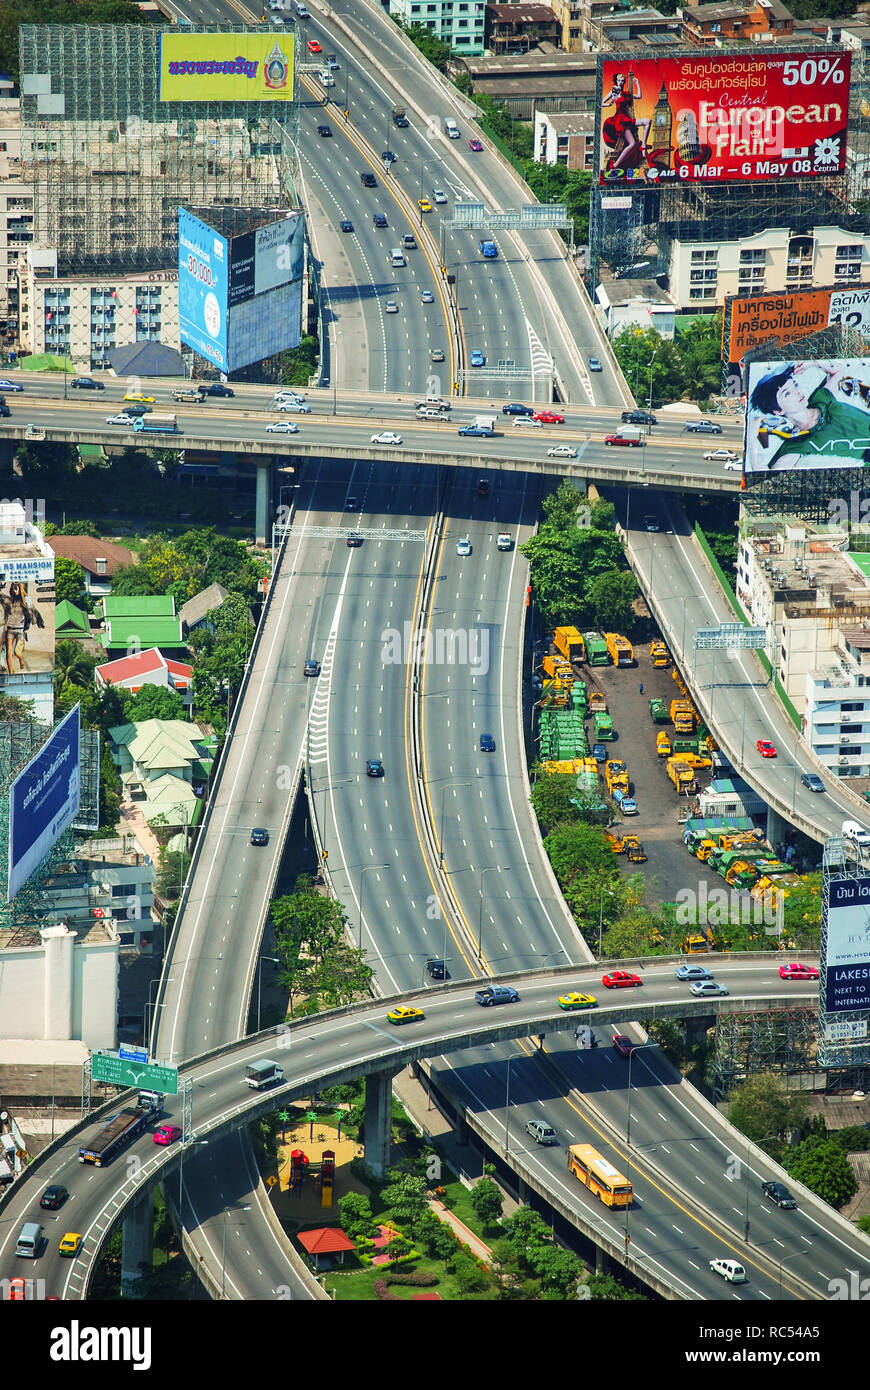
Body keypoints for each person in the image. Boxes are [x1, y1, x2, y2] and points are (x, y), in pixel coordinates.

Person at [749, 360, 870, 471]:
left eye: (795, 385)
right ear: (778, 411)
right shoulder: (796, 445)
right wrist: (752, 439)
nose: (797, 392)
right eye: (787, 394)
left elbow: (840, 370)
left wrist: (814, 363)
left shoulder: (821, 399)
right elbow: (767, 476)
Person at [601, 71, 651, 178]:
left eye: (623, 81)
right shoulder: (614, 92)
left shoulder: (626, 94)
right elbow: (602, 102)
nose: (621, 83)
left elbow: (639, 96)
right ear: (616, 81)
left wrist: (637, 84)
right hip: (620, 120)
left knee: (647, 121)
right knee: (632, 144)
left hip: (627, 119)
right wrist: (610, 103)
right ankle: (615, 165)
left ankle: (643, 145)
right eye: (619, 80)